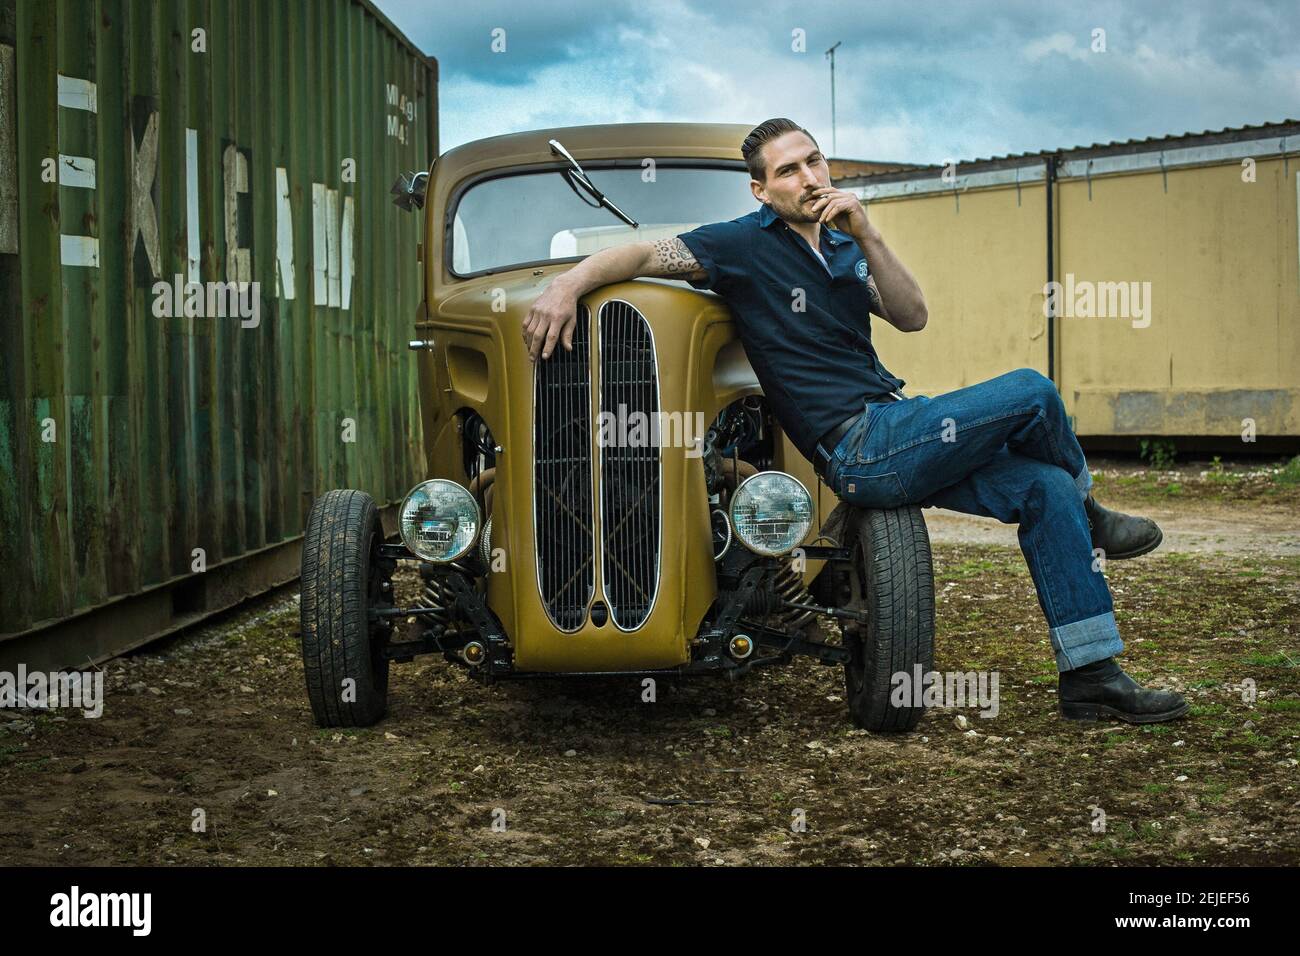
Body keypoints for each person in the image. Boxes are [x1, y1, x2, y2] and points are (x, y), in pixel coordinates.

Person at [522, 118, 1187, 724]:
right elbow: (640, 255)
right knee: (1034, 390)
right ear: (760, 190)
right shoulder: (740, 246)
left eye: (814, 161)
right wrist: (566, 286)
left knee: (1042, 488)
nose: (809, 177)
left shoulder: (843, 249)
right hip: (858, 449)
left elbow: (911, 314)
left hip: (898, 428)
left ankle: (1091, 674)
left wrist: (867, 232)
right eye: (788, 171)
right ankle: (1093, 511)